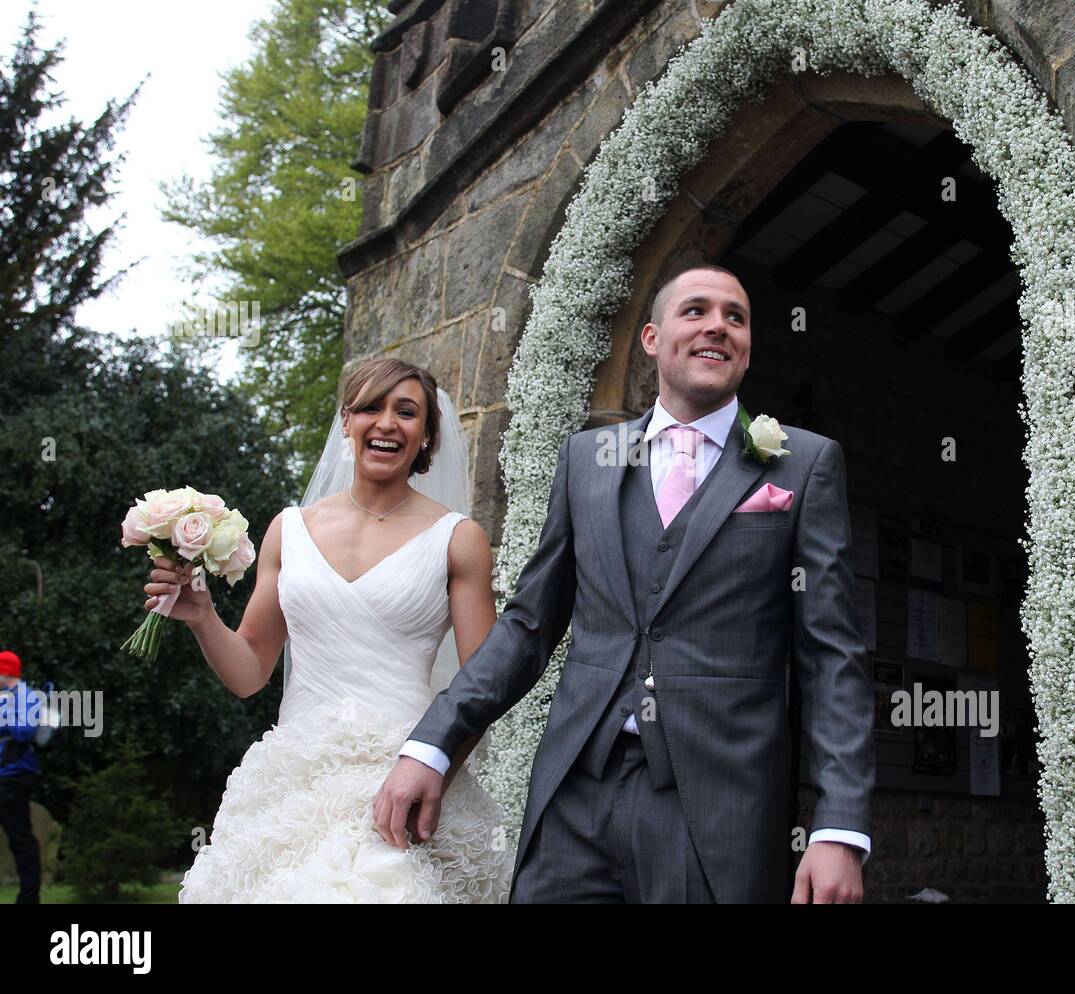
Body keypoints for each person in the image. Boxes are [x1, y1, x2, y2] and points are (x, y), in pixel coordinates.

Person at [374, 264, 875, 903]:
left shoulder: (802, 464)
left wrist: (840, 826)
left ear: (747, 348)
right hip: (574, 797)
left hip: (718, 805)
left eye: (736, 317)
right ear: (650, 338)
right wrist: (433, 745)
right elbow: (529, 625)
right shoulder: (587, 460)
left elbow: (833, 658)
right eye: (695, 310)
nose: (717, 325)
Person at [146, 357, 513, 902]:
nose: (386, 422)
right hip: (293, 785)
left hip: (399, 777)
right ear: (347, 421)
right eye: (370, 407)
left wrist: (434, 771)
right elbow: (249, 672)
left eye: (406, 412)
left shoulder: (457, 538)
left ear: (427, 433)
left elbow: (485, 684)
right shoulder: (288, 529)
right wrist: (201, 614)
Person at [0, 650, 42, 904]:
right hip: (4, 775)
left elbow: (25, 731)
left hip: (13, 777)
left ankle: (28, 898)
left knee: (20, 838)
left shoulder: (26, 695)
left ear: (6, 671)